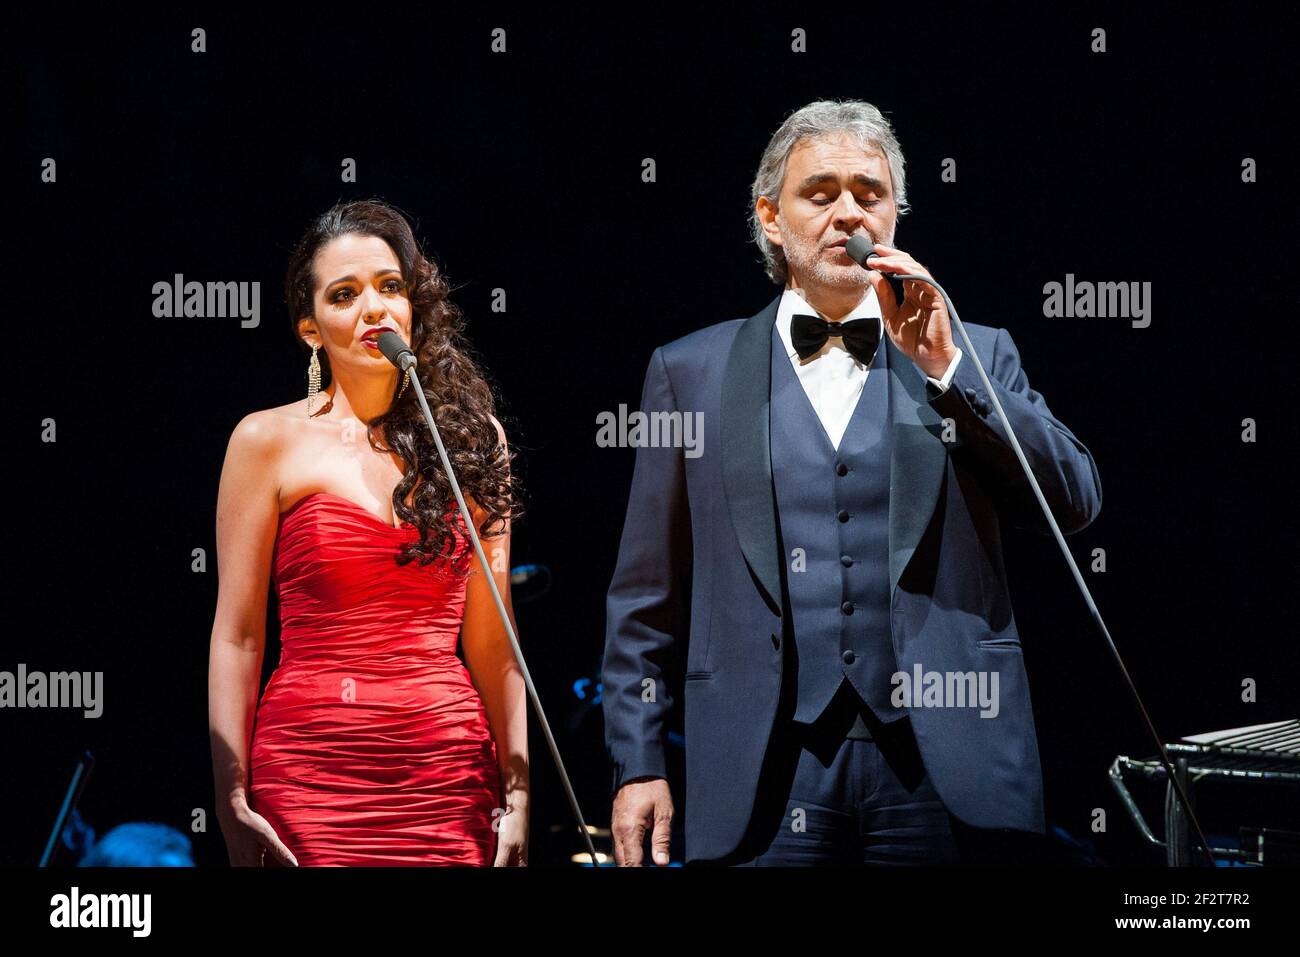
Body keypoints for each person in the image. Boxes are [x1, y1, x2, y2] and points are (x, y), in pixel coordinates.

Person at [602, 100, 1102, 866]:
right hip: (763, 770)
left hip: (939, 768)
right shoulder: (689, 373)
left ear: (895, 213)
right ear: (772, 217)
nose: (847, 213)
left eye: (869, 193)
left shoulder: (974, 352)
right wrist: (638, 759)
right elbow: (644, 596)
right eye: (821, 192)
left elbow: (1074, 498)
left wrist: (949, 374)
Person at [207, 200, 528, 866]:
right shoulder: (265, 441)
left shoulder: (471, 443)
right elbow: (238, 634)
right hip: (310, 776)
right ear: (310, 329)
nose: (374, 308)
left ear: (414, 307)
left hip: (447, 777)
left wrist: (520, 792)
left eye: (390, 286)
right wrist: (230, 797)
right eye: (344, 294)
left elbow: (495, 637)